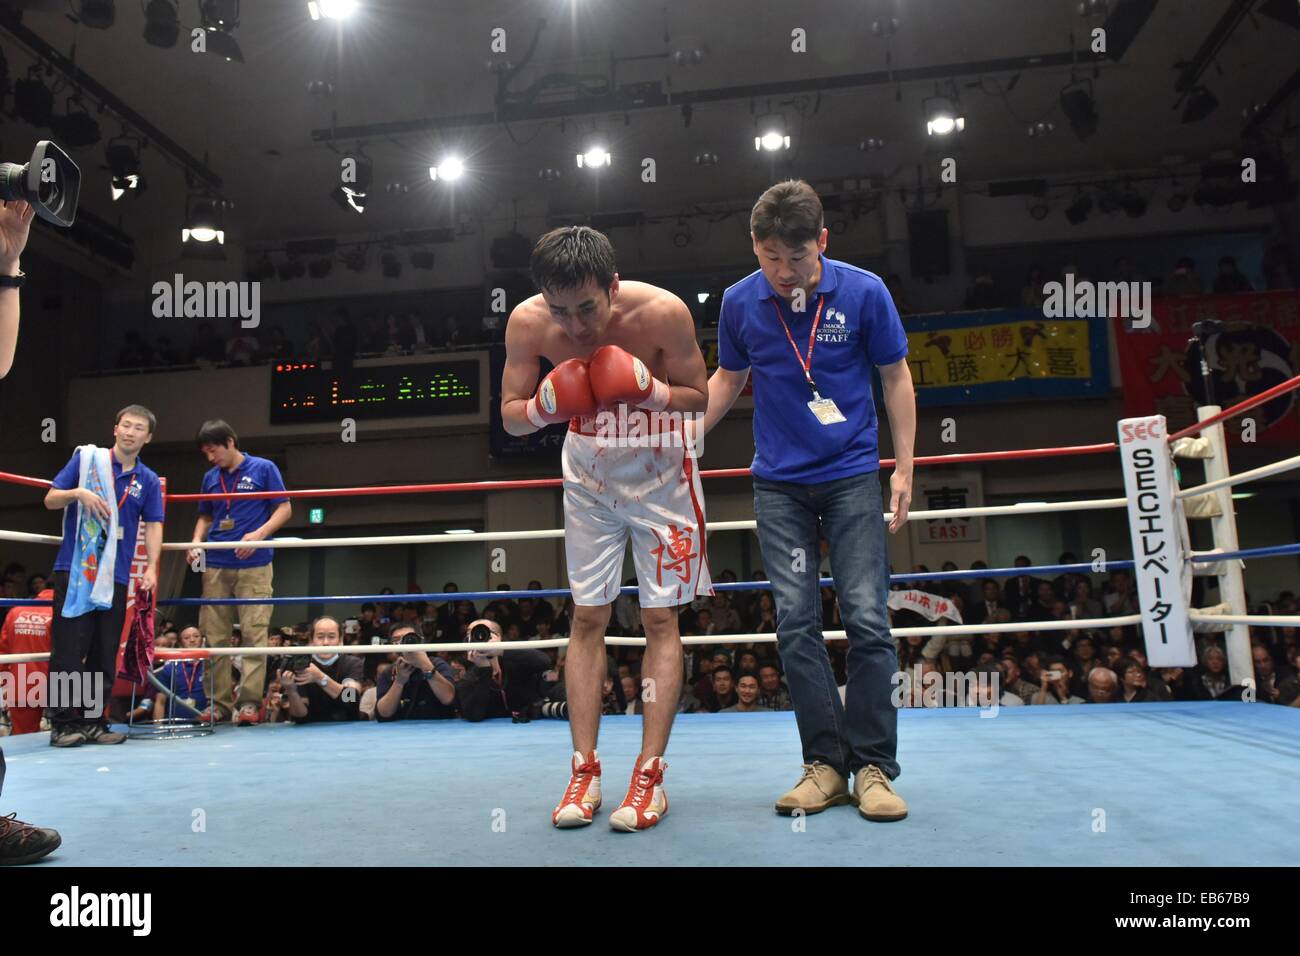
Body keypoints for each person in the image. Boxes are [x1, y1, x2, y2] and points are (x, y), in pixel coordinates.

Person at [699, 180, 914, 823]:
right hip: (778, 483)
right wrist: (684, 440)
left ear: (822, 242)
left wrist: (904, 467)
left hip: (851, 474)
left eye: (795, 259)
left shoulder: (865, 291)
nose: (783, 273)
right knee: (795, 625)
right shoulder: (740, 303)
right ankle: (824, 765)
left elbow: (896, 375)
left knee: (869, 620)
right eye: (769, 258)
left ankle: (873, 766)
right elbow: (728, 379)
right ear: (755, 248)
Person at [500, 225, 710, 832]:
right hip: (588, 473)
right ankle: (584, 769)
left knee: (659, 618)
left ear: (613, 286)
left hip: (662, 471)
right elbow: (511, 419)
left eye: (588, 308)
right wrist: (543, 407)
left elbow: (700, 395)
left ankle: (649, 776)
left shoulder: (663, 313)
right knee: (587, 615)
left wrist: (651, 391)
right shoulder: (527, 323)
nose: (576, 327)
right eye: (559, 311)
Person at [43, 405, 164, 747]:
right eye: (125, 425)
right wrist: (77, 493)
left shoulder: (148, 480)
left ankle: (95, 721)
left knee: (103, 649)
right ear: (115, 429)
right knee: (69, 648)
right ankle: (63, 724)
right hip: (76, 569)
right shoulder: (85, 462)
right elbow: (50, 499)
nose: (130, 432)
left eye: (138, 427)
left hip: (116, 574)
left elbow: (154, 525)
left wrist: (152, 567)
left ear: (148, 437)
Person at [187, 420, 291, 725]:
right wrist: (195, 542)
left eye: (214, 450)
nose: (210, 457)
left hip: (255, 565)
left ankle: (248, 704)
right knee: (214, 636)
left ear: (230, 441)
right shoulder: (210, 477)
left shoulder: (263, 468)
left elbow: (284, 508)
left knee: (253, 634)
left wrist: (258, 535)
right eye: (205, 452)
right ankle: (218, 704)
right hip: (216, 564)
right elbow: (205, 515)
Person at [279, 616, 363, 723]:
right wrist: (291, 691)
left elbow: (351, 699)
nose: (326, 642)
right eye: (320, 637)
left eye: (332, 637)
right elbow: (299, 716)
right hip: (310, 731)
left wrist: (320, 678)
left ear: (340, 640)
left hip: (347, 728)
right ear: (311, 640)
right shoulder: (302, 665)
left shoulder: (352, 663)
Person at [374, 623, 458, 720]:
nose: (403, 643)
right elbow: (384, 713)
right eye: (396, 640)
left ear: (420, 640)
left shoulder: (438, 664)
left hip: (439, 726)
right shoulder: (388, 672)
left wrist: (427, 667)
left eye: (408, 638)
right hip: (401, 730)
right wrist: (399, 681)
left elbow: (449, 699)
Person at [0, 585, 54, 735]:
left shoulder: (16, 611)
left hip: (21, 684)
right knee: (66, 736)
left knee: (23, 738)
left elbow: (3, 651)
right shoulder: (65, 612)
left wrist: (5, 684)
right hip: (58, 683)